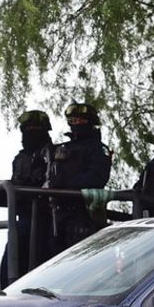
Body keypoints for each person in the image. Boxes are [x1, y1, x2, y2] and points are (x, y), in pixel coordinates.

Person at [44, 101, 112, 254]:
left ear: (91, 122)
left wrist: (66, 184)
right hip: (58, 214)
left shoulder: (99, 149)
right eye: (73, 121)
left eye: (81, 120)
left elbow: (97, 178)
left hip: (84, 215)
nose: (76, 124)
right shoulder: (61, 149)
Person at [0, 110, 53, 284]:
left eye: (35, 128)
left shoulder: (51, 155)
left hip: (44, 220)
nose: (31, 132)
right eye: (27, 128)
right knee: (10, 268)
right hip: (23, 217)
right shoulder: (20, 158)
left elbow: (50, 184)